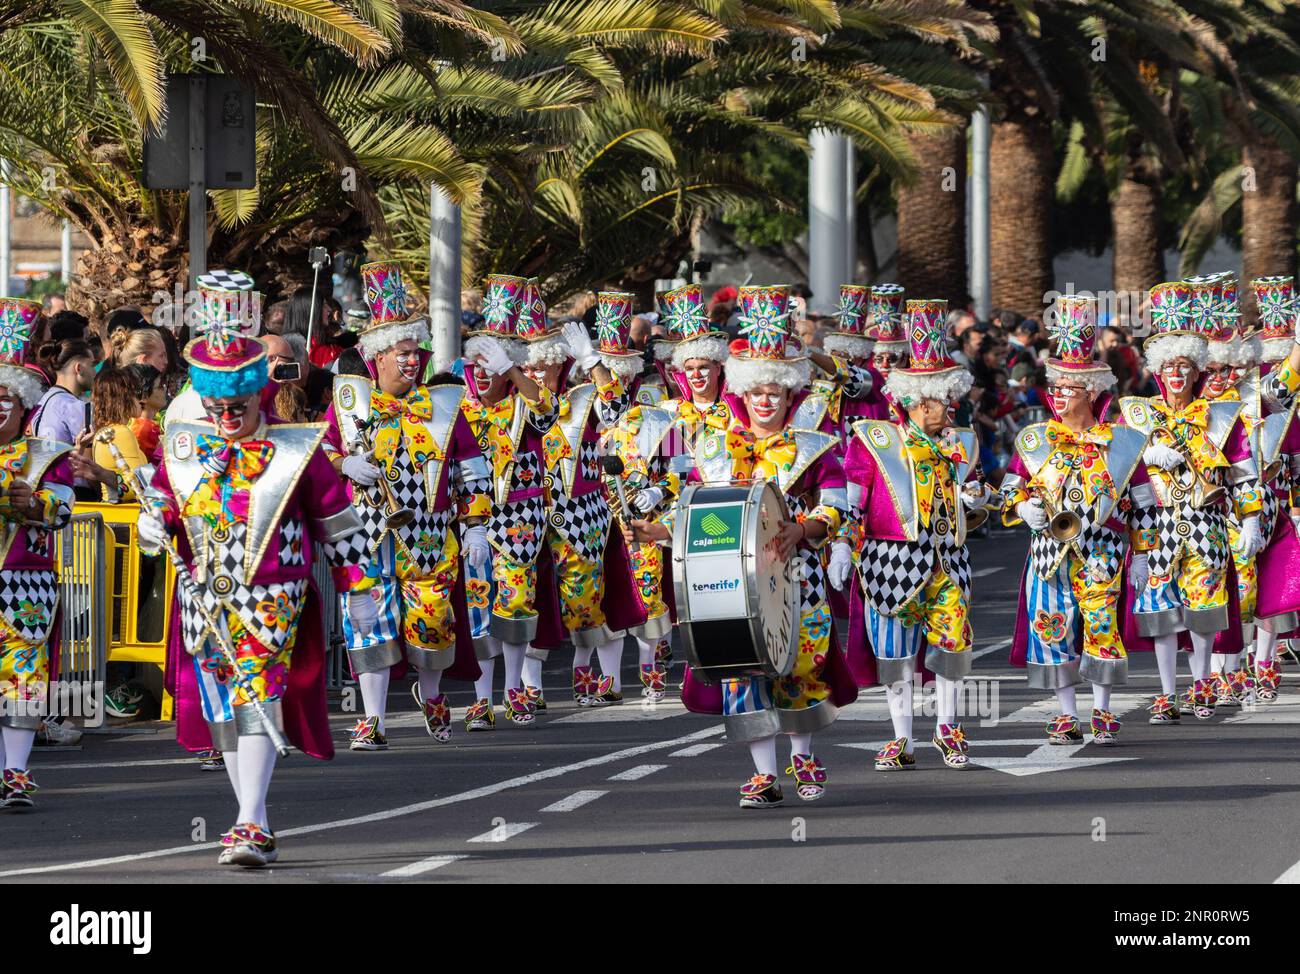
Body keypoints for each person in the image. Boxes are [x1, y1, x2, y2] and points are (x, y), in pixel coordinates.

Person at [137, 308, 374, 866]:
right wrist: (154, 524)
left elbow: (335, 519)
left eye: (235, 408)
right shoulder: (184, 447)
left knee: (257, 693)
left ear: (256, 396)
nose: (224, 418)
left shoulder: (298, 449)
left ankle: (249, 821)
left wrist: (358, 586)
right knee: (227, 709)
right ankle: (254, 820)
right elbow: (171, 509)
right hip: (202, 596)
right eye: (215, 408)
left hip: (273, 593)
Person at [633, 284, 854, 807]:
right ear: (744, 392)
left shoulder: (814, 445)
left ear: (788, 395)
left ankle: (801, 754)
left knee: (800, 664)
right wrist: (660, 530)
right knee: (740, 667)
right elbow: (689, 505)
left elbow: (837, 504)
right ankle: (763, 773)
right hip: (728, 575)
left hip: (795, 573)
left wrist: (806, 529)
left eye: (774, 392)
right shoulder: (710, 445)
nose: (764, 400)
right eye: (756, 391)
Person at [327, 261, 491, 750]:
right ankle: (372, 718)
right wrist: (342, 466)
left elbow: (472, 467)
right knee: (367, 620)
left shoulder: (444, 404)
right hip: (365, 531)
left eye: (415, 352)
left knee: (433, 620)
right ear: (376, 357)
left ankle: (434, 694)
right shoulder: (349, 403)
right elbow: (321, 453)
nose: (412, 361)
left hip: (430, 533)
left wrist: (476, 524)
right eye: (401, 353)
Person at [832, 298, 991, 771]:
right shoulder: (874, 439)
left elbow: (976, 495)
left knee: (952, 645)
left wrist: (978, 500)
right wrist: (842, 543)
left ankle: (947, 727)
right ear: (920, 401)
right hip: (889, 560)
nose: (952, 408)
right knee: (896, 656)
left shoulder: (962, 442)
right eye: (945, 400)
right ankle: (902, 739)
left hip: (949, 560)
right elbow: (853, 499)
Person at [1000, 295, 1155, 745]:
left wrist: (1143, 556)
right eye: (1057, 388)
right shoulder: (1035, 438)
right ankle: (1067, 714)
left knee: (1102, 627)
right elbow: (1010, 488)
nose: (1059, 396)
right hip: (1049, 552)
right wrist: (1020, 506)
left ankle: (1103, 710)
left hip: (1102, 551)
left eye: (1069, 389)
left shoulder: (1123, 442)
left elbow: (1143, 502)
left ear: (1091, 392)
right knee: (1052, 627)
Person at [1121, 280, 1264, 724]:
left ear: (1197, 370)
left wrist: (1253, 519)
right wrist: (1144, 453)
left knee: (1204, 609)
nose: (1177, 375)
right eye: (1170, 367)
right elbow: (1117, 472)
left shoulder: (1222, 415)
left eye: (1185, 365)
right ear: (1158, 371)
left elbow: (1243, 472)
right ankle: (1167, 692)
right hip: (1155, 525)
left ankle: (1203, 683)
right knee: (1161, 612)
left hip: (1205, 523)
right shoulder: (1136, 415)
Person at [515, 284, 644, 708]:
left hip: (581, 512)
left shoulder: (583, 396)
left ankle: (590, 676)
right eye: (528, 369)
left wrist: (594, 363)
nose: (536, 376)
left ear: (559, 367)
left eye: (543, 368)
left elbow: (617, 409)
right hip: (526, 512)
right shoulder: (514, 405)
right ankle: (527, 685)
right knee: (527, 597)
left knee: (584, 600)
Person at [457, 274, 555, 729]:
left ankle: (514, 689)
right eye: (474, 362)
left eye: (489, 363)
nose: (480, 372)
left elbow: (546, 409)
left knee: (515, 603)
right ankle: (482, 698)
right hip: (471, 518)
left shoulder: (523, 402)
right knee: (479, 606)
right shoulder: (456, 407)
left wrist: (513, 368)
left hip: (520, 514)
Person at [0, 297, 76, 809]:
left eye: (7, 398)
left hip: (26, 578)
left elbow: (66, 507)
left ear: (25, 405)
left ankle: (16, 771)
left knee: (23, 676)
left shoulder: (43, 455)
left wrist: (37, 502)